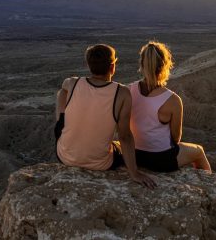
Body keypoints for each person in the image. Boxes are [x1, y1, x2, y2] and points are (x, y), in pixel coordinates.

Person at [55, 44, 156, 188]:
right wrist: (134, 173)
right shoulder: (121, 93)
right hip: (101, 164)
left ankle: (62, 126)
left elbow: (63, 90)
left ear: (89, 65)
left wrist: (62, 119)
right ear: (112, 67)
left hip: (64, 156)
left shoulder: (72, 83)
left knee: (61, 93)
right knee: (119, 146)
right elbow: (125, 136)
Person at [129, 41, 211, 172]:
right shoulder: (172, 100)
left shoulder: (129, 90)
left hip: (135, 155)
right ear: (164, 66)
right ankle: (209, 186)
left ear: (142, 64)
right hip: (161, 160)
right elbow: (175, 138)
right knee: (199, 151)